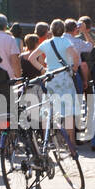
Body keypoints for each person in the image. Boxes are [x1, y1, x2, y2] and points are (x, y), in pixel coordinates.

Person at [28, 17, 81, 152]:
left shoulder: (46, 43)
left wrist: (42, 69)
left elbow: (31, 57)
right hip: (64, 78)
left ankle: (47, 142)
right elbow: (75, 57)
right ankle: (71, 143)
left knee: (48, 110)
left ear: (51, 30)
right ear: (63, 30)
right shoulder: (66, 42)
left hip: (50, 78)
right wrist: (73, 69)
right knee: (68, 111)